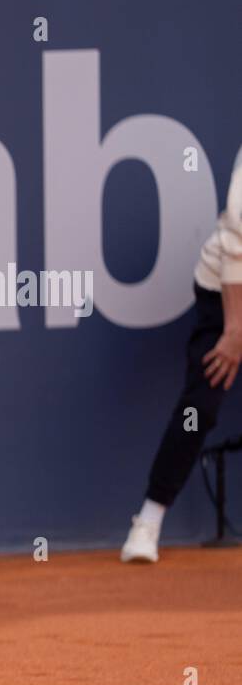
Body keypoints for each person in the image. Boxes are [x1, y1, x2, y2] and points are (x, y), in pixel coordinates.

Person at [123, 167, 242, 562]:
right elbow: (235, 245)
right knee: (199, 408)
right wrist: (235, 331)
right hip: (225, 297)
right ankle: (148, 521)